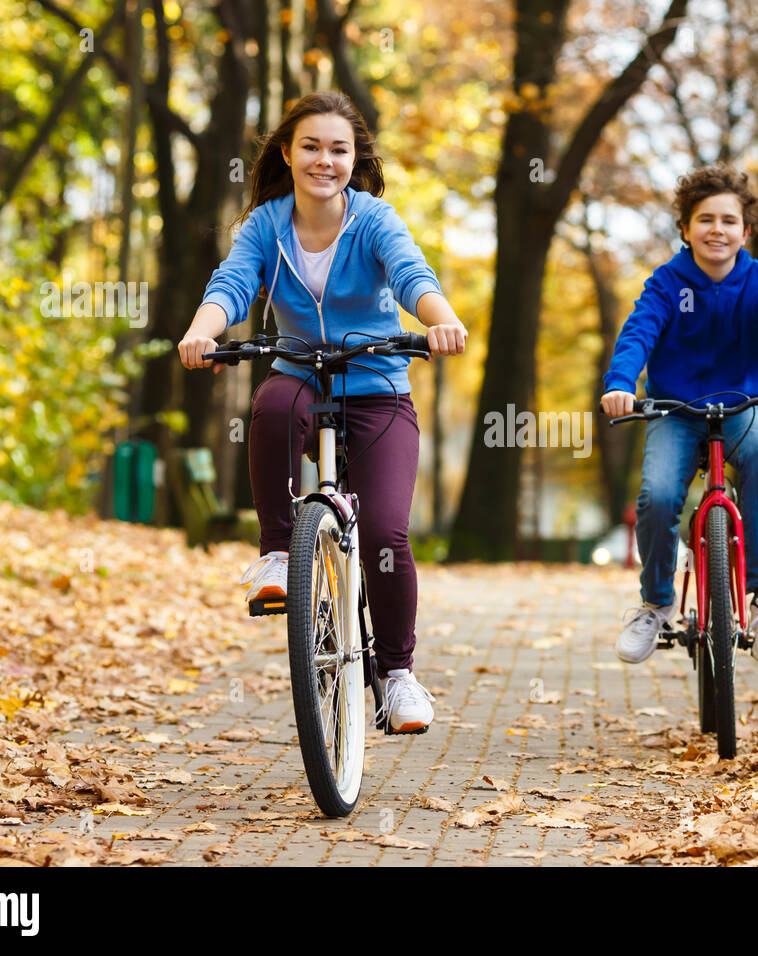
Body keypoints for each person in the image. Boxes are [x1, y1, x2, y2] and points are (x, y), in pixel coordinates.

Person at [177, 91, 467, 733]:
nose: (324, 160)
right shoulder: (266, 226)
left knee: (386, 532)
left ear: (354, 158)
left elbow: (411, 275)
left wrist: (442, 320)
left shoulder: (374, 219)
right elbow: (232, 284)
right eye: (310, 146)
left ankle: (398, 676)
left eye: (339, 149)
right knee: (274, 402)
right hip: (302, 375)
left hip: (378, 386)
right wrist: (202, 331)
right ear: (287, 152)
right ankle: (279, 554)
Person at [600, 164, 758, 667]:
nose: (717, 230)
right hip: (676, 409)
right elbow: (638, 333)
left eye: (729, 221)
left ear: (746, 231)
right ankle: (656, 604)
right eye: (705, 219)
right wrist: (620, 384)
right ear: (685, 229)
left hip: (746, 405)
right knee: (658, 495)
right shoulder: (666, 282)